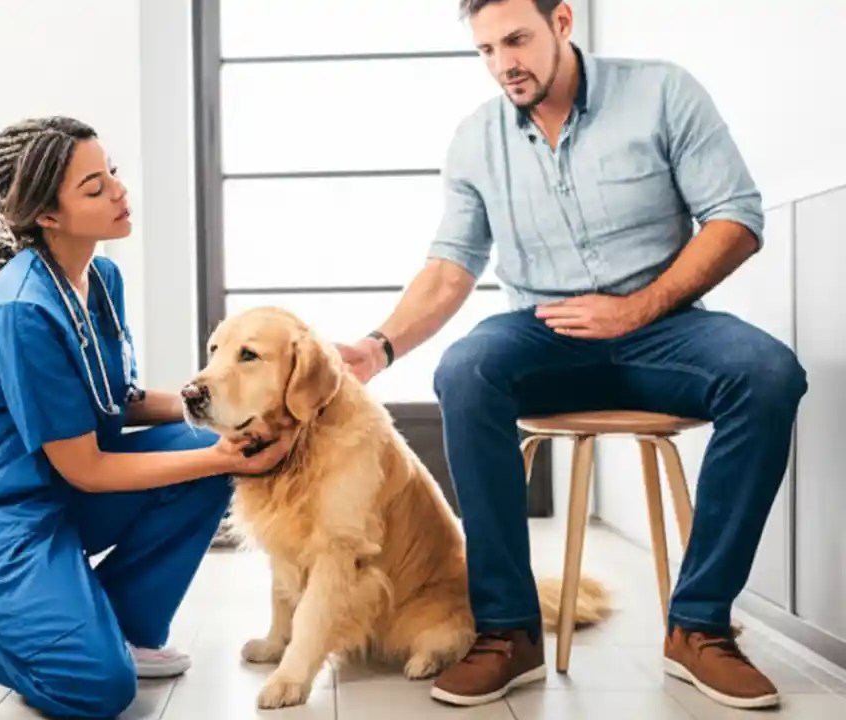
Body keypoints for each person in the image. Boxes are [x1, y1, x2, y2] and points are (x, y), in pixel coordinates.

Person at [337, 0, 806, 711]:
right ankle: (506, 632)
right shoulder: (477, 140)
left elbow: (736, 218)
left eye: (517, 40)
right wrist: (380, 346)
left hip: (665, 327)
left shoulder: (661, 91)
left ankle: (699, 626)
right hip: (541, 332)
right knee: (466, 370)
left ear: (562, 22)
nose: (504, 65)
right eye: (487, 50)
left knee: (770, 374)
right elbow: (452, 266)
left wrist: (638, 307)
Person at [0, 116, 293, 719]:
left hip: (53, 488)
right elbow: (87, 468)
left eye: (111, 172)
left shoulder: (101, 277)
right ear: (48, 216)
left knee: (194, 453)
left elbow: (116, 397)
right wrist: (222, 451)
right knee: (98, 690)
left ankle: (120, 627)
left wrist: (223, 411)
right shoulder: (20, 311)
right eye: (94, 187)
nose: (118, 191)